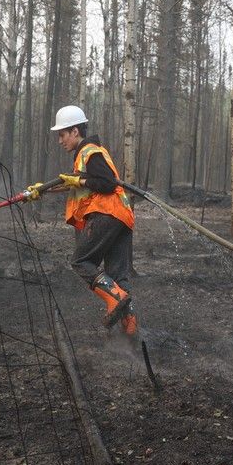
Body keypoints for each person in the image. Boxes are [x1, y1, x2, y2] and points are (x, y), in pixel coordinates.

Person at [26, 105, 137, 338]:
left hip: (106, 213)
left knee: (80, 261)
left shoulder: (90, 151)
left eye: (62, 134)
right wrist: (42, 190)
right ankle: (131, 332)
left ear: (75, 131)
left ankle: (116, 298)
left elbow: (106, 183)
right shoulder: (86, 155)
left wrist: (80, 182)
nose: (60, 140)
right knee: (117, 276)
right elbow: (81, 182)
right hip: (122, 218)